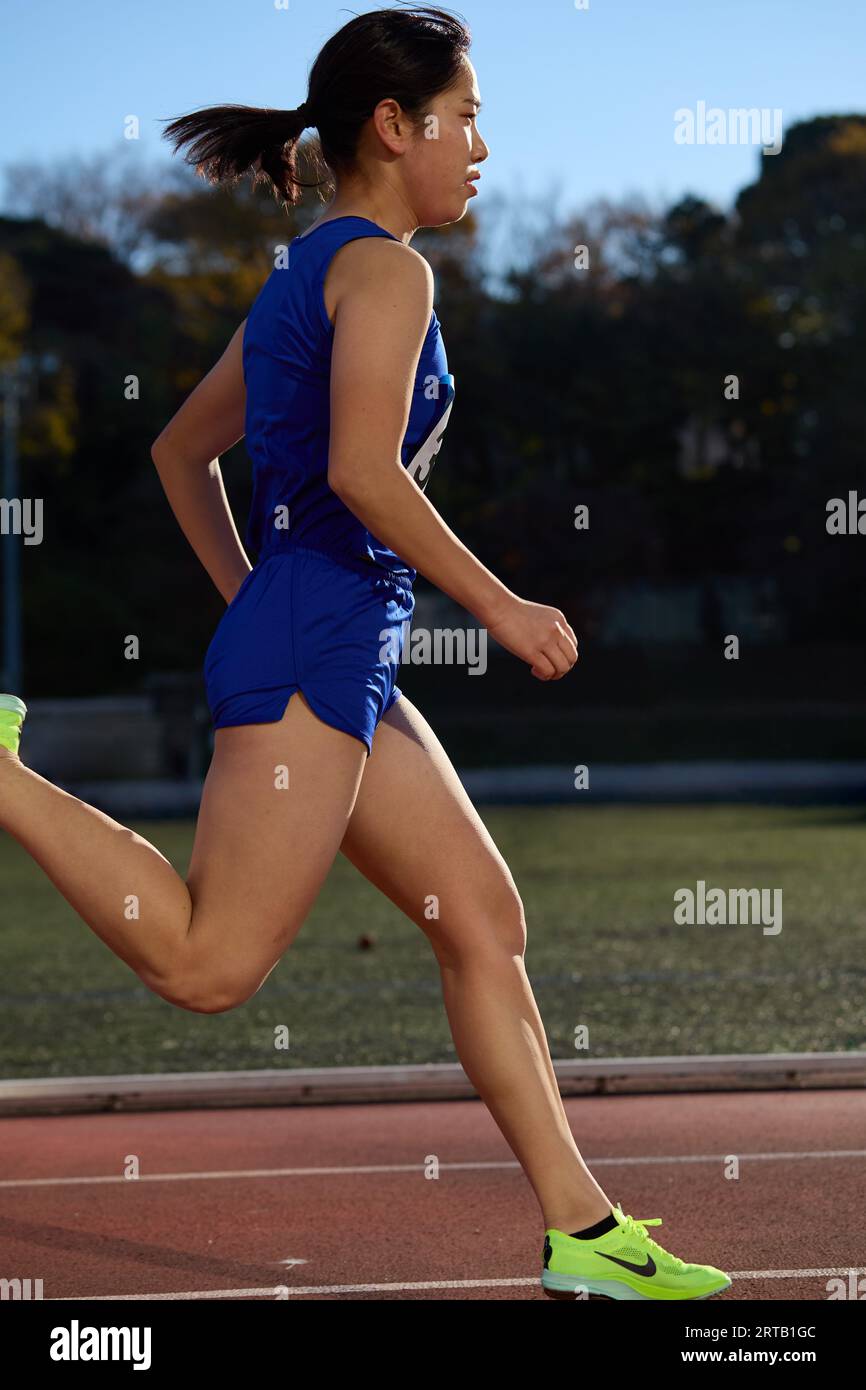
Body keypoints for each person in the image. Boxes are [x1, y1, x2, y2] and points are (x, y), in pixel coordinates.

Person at [0, 5, 730, 1301]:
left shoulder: (304, 270)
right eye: (465, 118)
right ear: (394, 128)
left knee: (483, 915)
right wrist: (500, 605)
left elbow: (180, 452)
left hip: (325, 635)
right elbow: (359, 473)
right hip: (323, 631)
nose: (481, 147)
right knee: (210, 965)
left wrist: (248, 598)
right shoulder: (387, 272)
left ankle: (583, 1233)